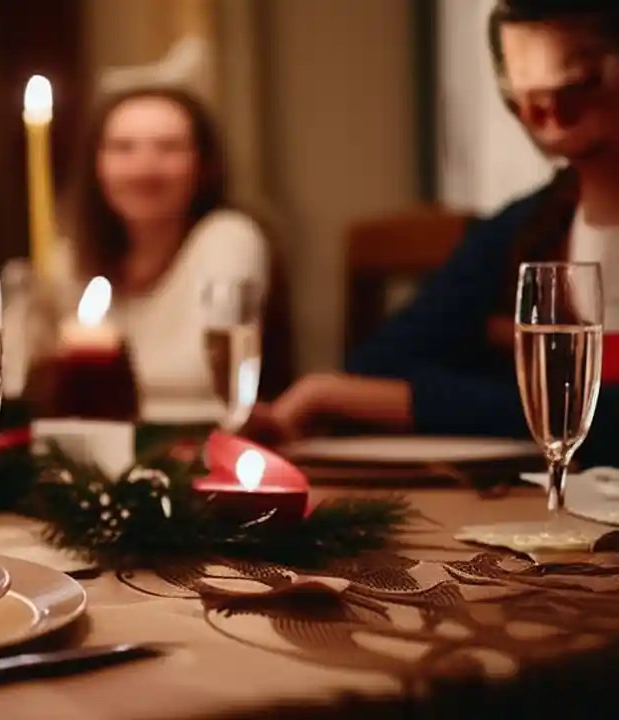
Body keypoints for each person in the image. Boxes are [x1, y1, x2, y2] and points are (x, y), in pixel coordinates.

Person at [247, 0, 619, 465]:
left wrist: (339, 396)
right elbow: (381, 361)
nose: (551, 115)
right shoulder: (528, 227)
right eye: (525, 97)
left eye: (579, 82)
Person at [68, 85, 273, 418]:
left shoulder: (229, 236)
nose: (144, 167)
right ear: (95, 165)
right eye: (122, 148)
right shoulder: (72, 260)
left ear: (204, 164)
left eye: (169, 147)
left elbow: (202, 373)